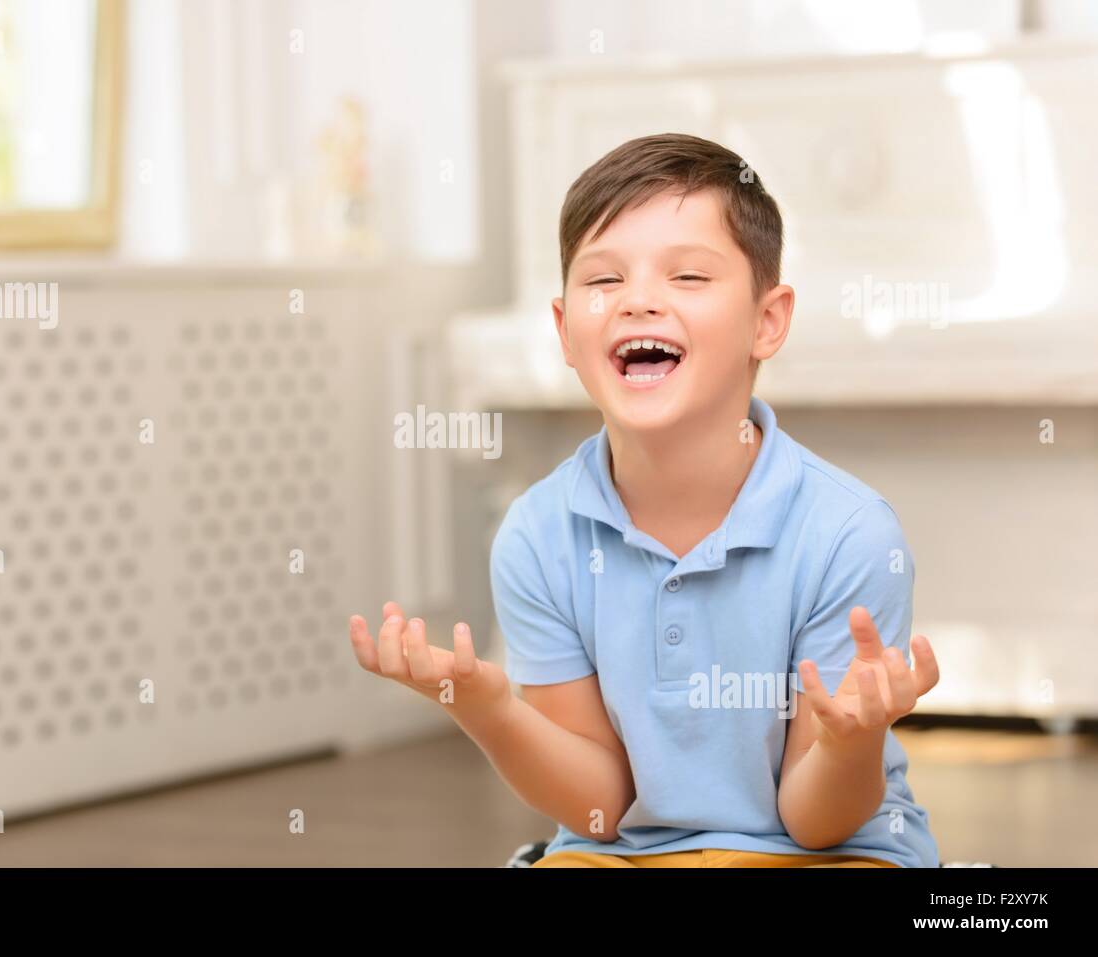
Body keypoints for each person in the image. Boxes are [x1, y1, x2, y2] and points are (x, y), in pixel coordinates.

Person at [348, 133, 940, 868]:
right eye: (604, 281)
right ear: (566, 331)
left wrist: (852, 745)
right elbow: (600, 804)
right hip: (626, 853)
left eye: (688, 275)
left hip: (824, 852)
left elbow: (814, 819)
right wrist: (485, 708)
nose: (638, 301)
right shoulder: (535, 536)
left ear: (769, 320)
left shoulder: (849, 533)